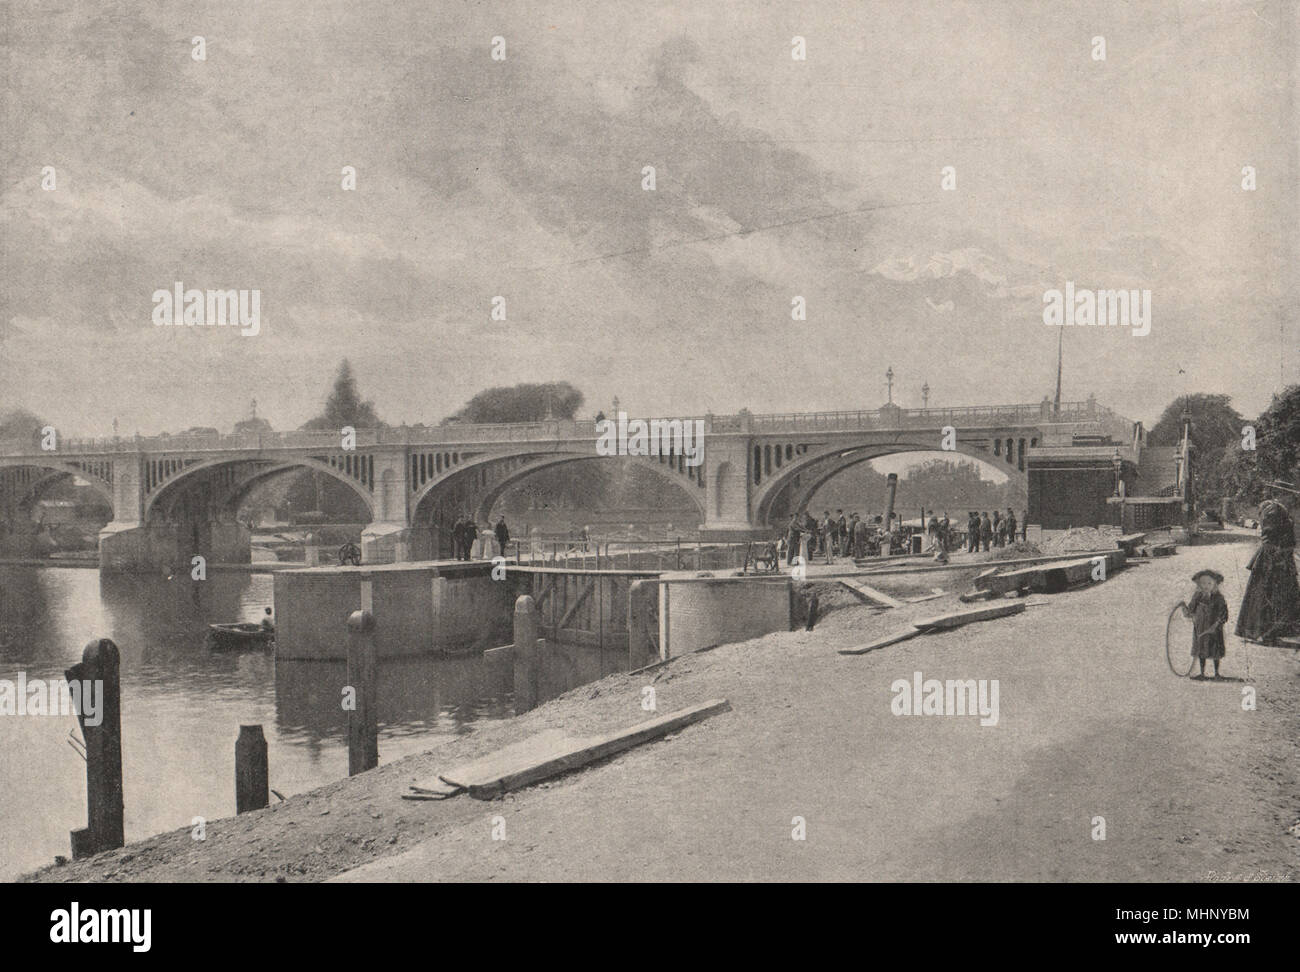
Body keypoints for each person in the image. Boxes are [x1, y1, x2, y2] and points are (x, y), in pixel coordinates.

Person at [1236, 486, 1300, 644]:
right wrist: (1277, 556)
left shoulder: (1278, 509)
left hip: (1279, 557)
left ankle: (1270, 632)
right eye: (1290, 494)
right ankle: (1263, 633)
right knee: (1268, 595)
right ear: (1281, 495)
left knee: (1279, 597)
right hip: (1273, 559)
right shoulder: (1273, 509)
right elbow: (1268, 537)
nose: (1294, 497)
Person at [1182, 569, 1229, 678]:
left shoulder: (1219, 598)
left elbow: (1224, 614)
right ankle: (1202, 673)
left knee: (1215, 650)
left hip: (1215, 628)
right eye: (1203, 583)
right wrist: (1183, 607)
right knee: (1201, 650)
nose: (1206, 586)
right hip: (1200, 627)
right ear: (1199, 584)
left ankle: (1217, 673)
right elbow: (1190, 611)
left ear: (1215, 584)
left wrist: (1216, 624)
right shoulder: (1197, 596)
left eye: (1209, 583)